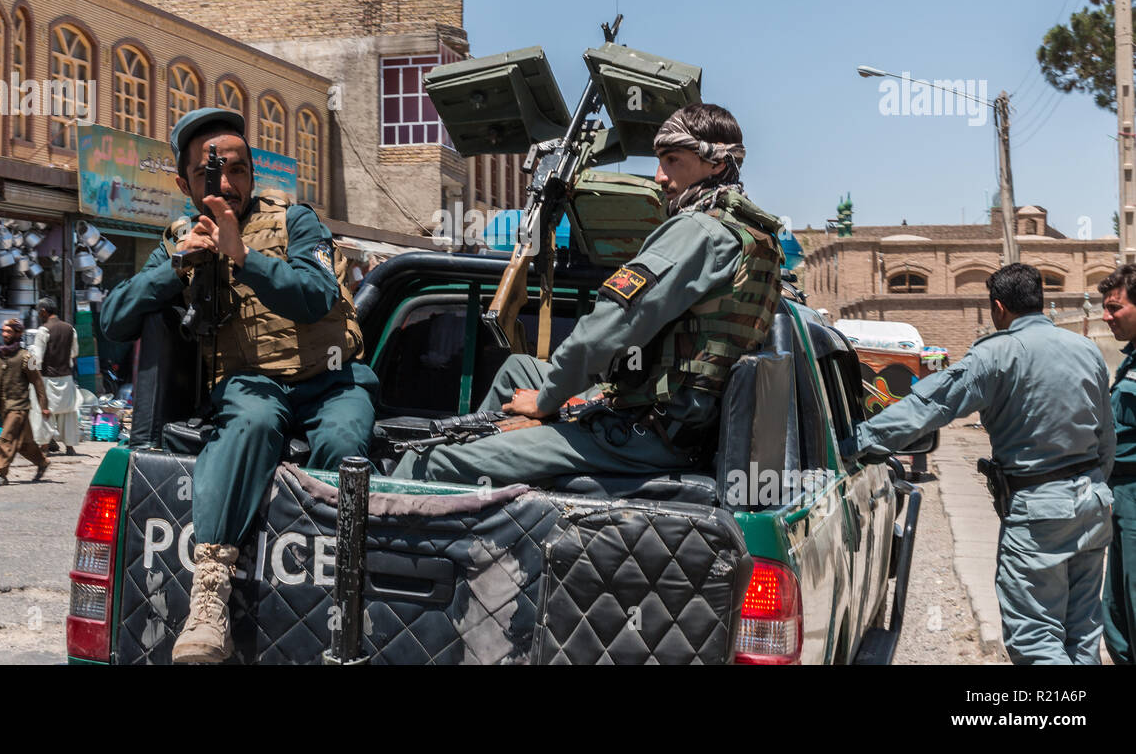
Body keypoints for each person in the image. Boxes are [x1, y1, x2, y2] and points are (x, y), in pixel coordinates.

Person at [100, 106, 376, 664]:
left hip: (329, 380)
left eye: (239, 170)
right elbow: (112, 322)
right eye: (211, 174)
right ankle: (210, 597)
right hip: (253, 386)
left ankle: (336, 593)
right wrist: (178, 266)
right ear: (183, 182)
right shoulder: (179, 239)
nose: (227, 184)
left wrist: (242, 256)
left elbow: (316, 295)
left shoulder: (296, 221)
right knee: (247, 423)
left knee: (346, 445)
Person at [392, 102, 784, 485]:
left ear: (716, 163)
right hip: (672, 418)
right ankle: (486, 458)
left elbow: (603, 330)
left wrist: (547, 401)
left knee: (433, 461)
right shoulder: (754, 236)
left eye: (672, 160)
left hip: (644, 429)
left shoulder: (698, 231)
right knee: (516, 372)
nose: (660, 176)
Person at [844, 263, 1114, 664]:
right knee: (1082, 635)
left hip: (1038, 514)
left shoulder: (996, 354)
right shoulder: (1086, 349)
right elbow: (1105, 438)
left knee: (1037, 640)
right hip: (1093, 506)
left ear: (998, 307)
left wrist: (857, 441)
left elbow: (930, 404)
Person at [1099, 264, 1136, 664]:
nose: (1106, 316)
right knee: (1116, 607)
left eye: (1115, 308)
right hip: (1120, 497)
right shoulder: (1129, 361)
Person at [0, 318, 50, 487]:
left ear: (18, 334)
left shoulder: (27, 357)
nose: (4, 335)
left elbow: (38, 382)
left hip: (19, 407)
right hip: (4, 407)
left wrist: (44, 407)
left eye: (8, 331)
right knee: (25, 445)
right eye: (3, 331)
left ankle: (1, 474)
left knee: (6, 438)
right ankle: (42, 462)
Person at [27, 297, 80, 456]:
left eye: (39, 312)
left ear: (43, 311)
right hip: (66, 378)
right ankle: (70, 447)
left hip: (47, 379)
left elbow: (38, 358)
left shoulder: (43, 330)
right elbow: (74, 352)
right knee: (68, 413)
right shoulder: (70, 328)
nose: (38, 315)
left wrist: (28, 369)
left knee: (43, 411)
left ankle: (44, 447)